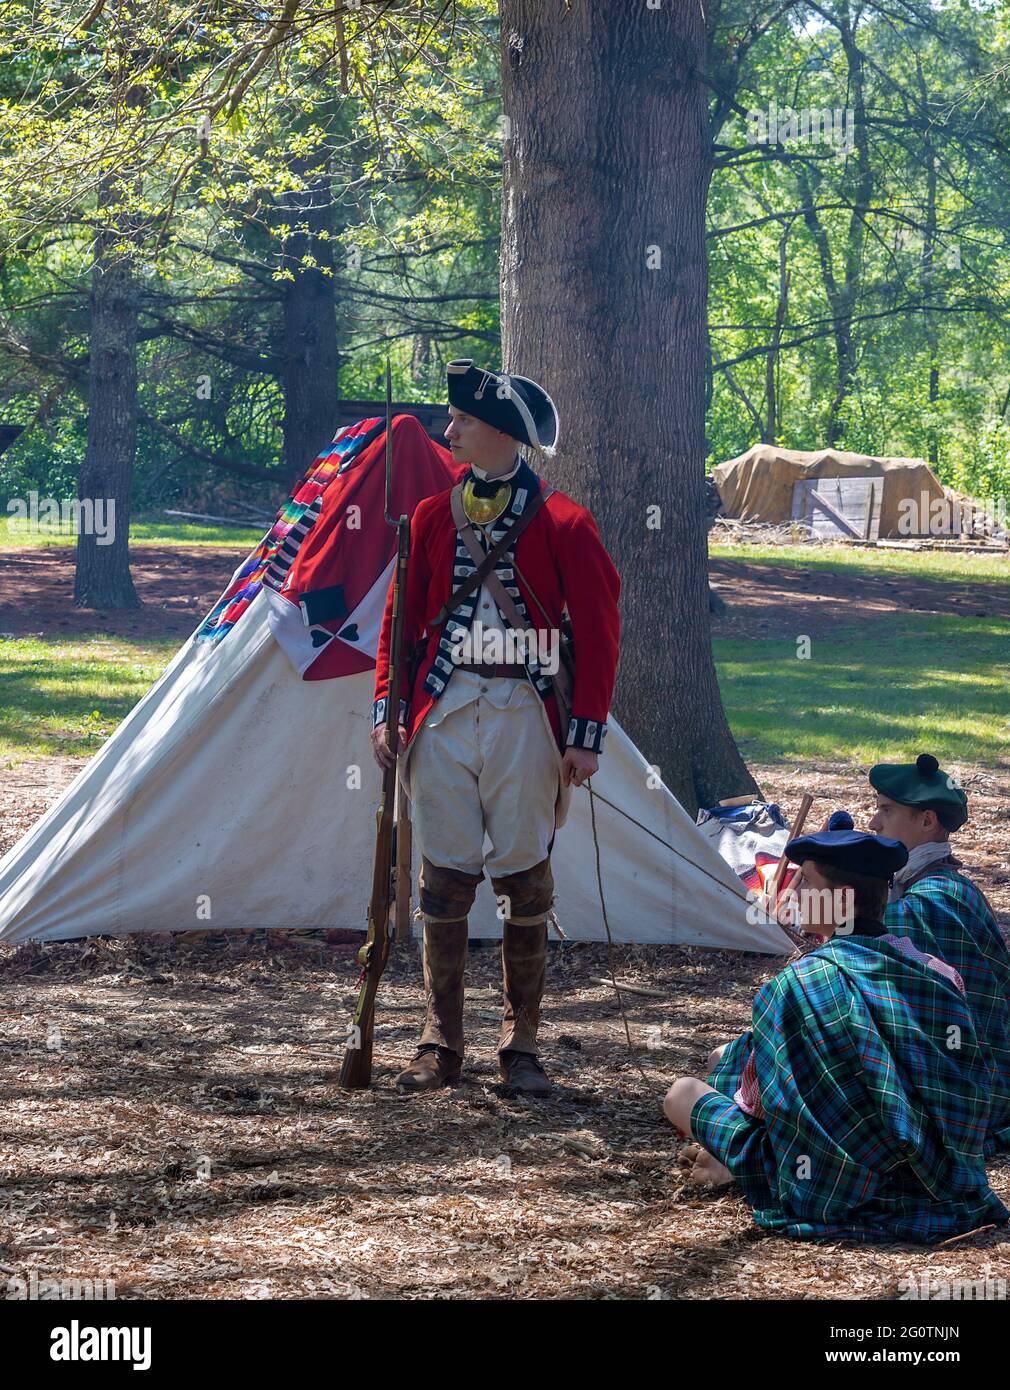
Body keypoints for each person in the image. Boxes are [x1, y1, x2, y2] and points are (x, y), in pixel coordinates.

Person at [371, 359, 620, 1096]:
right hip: (443, 714)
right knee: (443, 877)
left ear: (501, 434)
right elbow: (399, 625)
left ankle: (522, 1047)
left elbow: (601, 633)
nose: (448, 432)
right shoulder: (426, 517)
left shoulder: (565, 522)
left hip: (524, 717)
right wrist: (389, 709)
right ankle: (439, 1041)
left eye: (463, 422)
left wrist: (585, 734)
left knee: (522, 876)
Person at [663, 818, 1009, 1244]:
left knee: (681, 1092)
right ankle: (726, 1160)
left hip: (828, 1182)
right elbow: (967, 1087)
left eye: (806, 883)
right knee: (723, 1056)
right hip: (942, 1177)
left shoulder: (795, 985)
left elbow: (761, 1106)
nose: (793, 894)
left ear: (840, 900)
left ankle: (729, 1162)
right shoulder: (939, 975)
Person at [868, 753, 1010, 1151]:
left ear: (927, 821)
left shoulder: (927, 903)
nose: (874, 822)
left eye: (886, 809)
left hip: (964, 1094)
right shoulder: (939, 887)